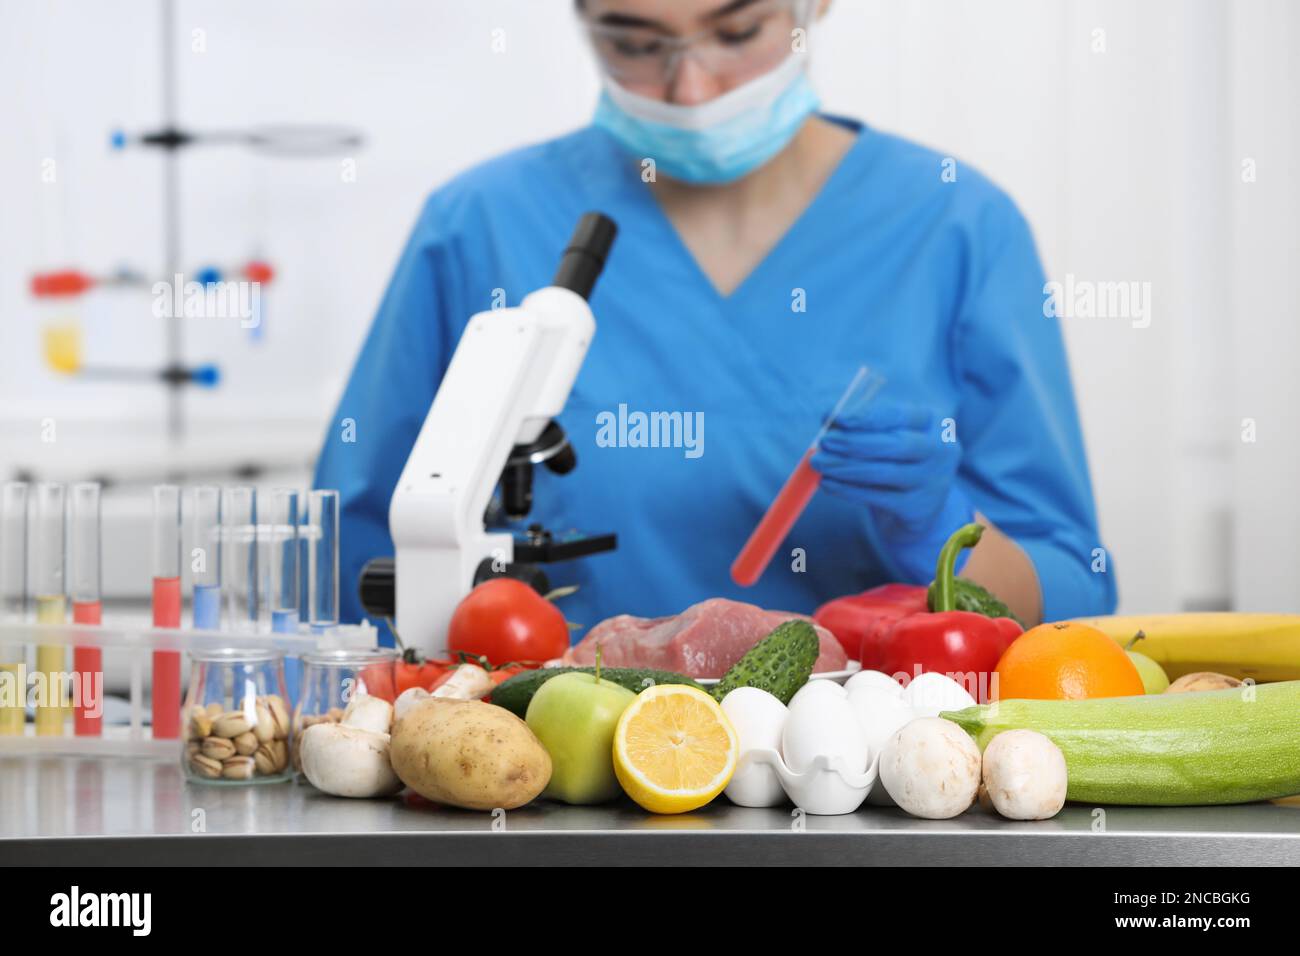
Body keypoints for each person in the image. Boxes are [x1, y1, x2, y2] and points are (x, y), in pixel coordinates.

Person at [315, 0, 1116, 647]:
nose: (693, 89)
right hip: (546, 770)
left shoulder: (956, 223)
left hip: (876, 781)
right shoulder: (480, 224)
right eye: (635, 41)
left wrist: (943, 530)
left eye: (737, 31)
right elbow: (348, 555)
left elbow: (1077, 589)